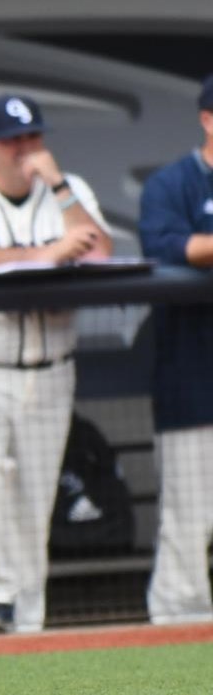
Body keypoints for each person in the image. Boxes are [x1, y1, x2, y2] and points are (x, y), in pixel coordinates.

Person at [0, 93, 110, 634]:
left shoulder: (68, 189)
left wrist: (59, 187)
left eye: (33, 137)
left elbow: (101, 253)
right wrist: (50, 254)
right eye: (13, 140)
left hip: (50, 366)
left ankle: (24, 629)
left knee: (35, 508)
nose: (26, 149)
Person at [138, 75, 213, 625]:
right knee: (191, 517)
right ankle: (179, 629)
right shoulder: (172, 184)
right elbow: (170, 247)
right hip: (194, 376)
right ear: (208, 119)